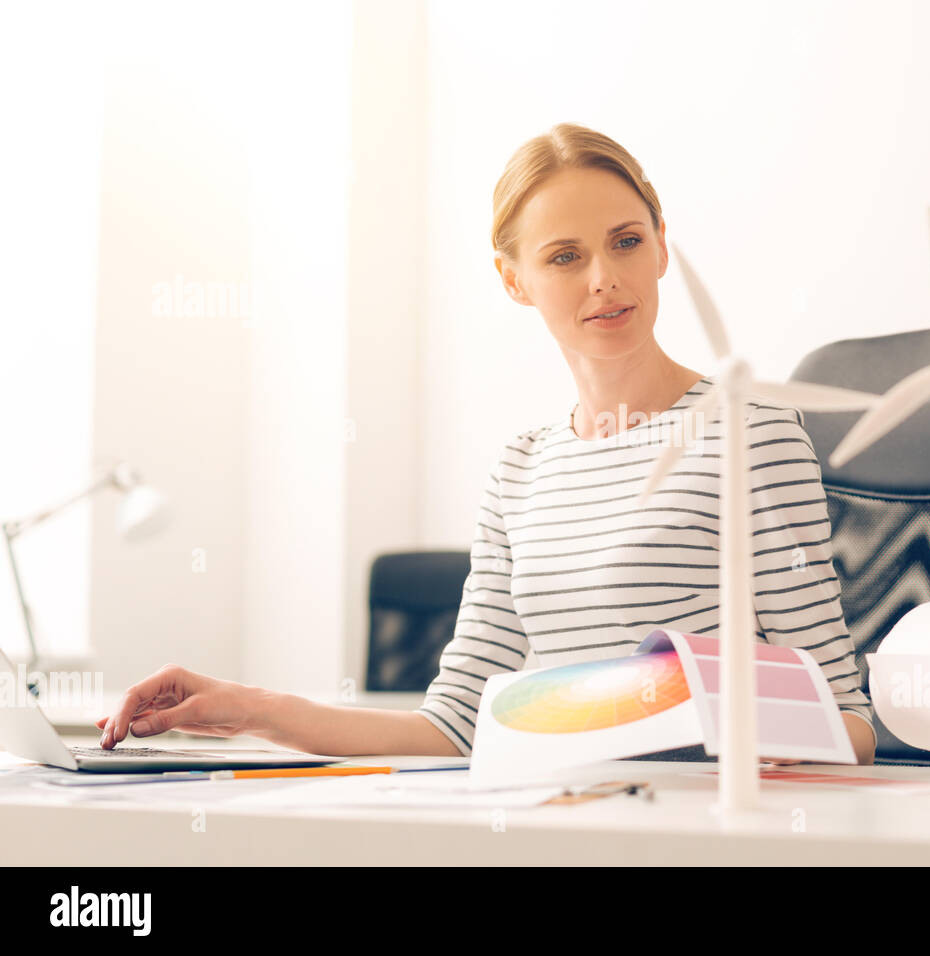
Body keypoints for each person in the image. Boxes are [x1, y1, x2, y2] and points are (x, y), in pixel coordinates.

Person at [97, 123, 877, 765]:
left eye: (626, 241)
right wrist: (249, 710)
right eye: (565, 257)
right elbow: (451, 727)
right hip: (564, 817)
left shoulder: (753, 434)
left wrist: (755, 751)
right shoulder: (522, 470)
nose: (605, 277)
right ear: (514, 280)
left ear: (662, 247)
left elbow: (849, 720)